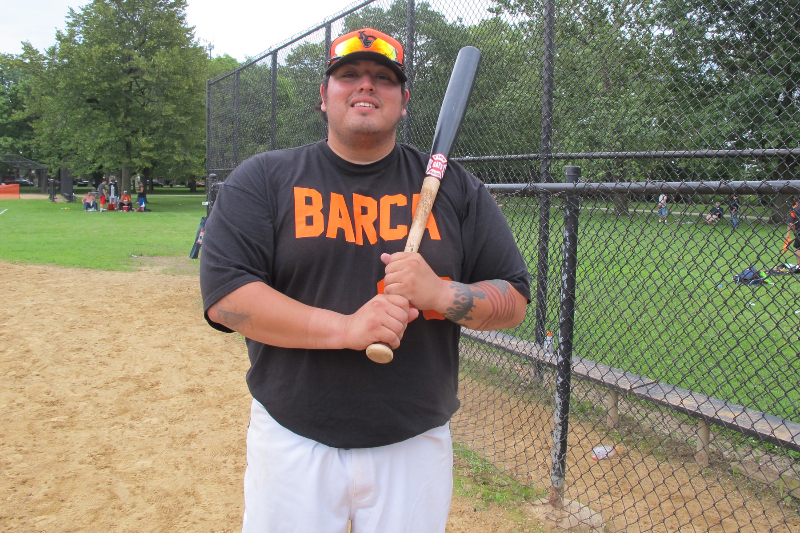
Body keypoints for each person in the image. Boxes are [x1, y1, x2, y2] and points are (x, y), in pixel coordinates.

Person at [199, 27, 530, 533]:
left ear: (403, 100)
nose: (365, 86)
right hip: (293, 437)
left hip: (415, 441)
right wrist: (345, 329)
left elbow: (513, 298)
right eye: (348, 74)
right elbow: (226, 298)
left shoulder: (456, 188)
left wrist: (441, 294)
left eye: (383, 78)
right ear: (324, 95)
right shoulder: (265, 179)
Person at [784, 197, 800, 266]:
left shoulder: (794, 209)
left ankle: (799, 265)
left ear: (794, 199)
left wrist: (788, 234)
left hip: (798, 231)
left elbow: (790, 223)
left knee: (799, 248)